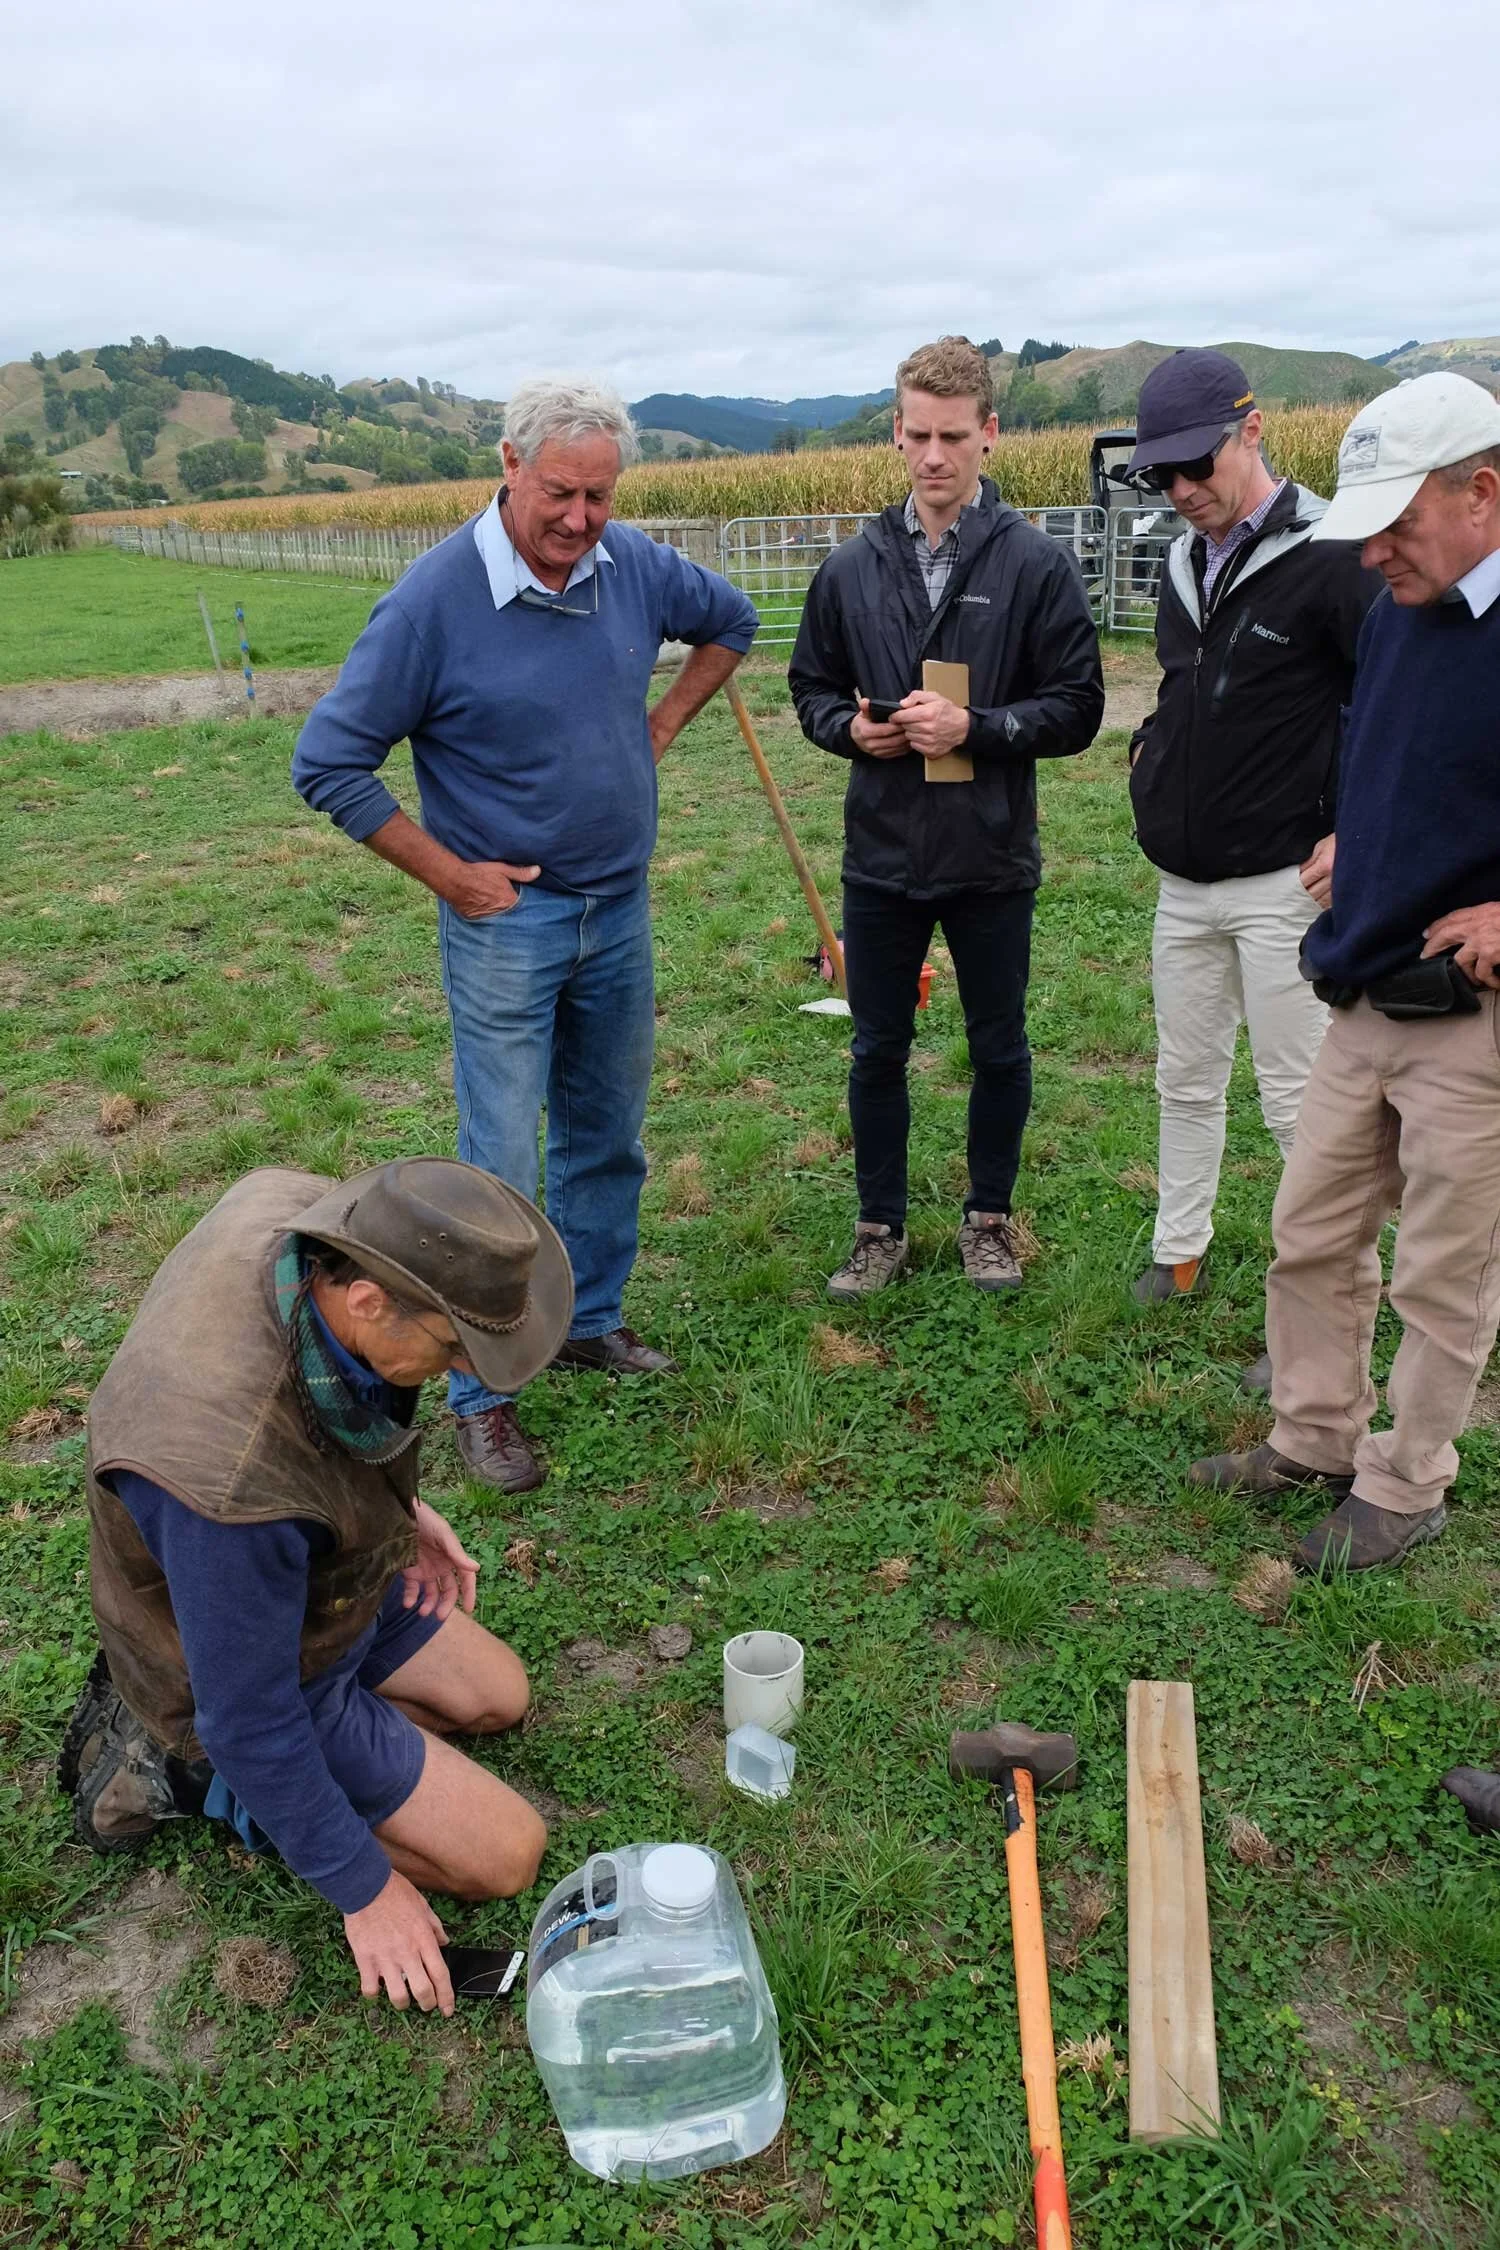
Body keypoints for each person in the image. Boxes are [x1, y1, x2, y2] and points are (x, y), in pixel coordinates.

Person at [293, 378, 758, 1494]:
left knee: (607, 1132)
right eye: (561, 492)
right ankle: (482, 1393)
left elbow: (731, 622)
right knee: (494, 1165)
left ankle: (589, 1319)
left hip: (620, 909)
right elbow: (328, 762)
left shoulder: (634, 566)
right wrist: (451, 875)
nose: (582, 519)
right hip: (508, 926)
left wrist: (659, 723)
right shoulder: (435, 603)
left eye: (601, 496)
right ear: (508, 463)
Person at [61, 1157, 574, 2015]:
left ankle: (323, 1771)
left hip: (314, 1581)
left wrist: (397, 1514)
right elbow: (252, 1718)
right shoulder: (230, 1488)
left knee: (498, 1696)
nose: (460, 1377)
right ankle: (189, 1775)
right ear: (370, 1301)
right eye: (453, 1349)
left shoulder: (304, 1214)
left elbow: (322, 1424)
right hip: (246, 1668)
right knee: (508, 1854)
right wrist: (364, 1891)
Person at [1188, 372, 1500, 1585]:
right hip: (1361, 985)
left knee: (1444, 1269)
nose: (1374, 550)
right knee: (1309, 1232)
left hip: (1468, 1015)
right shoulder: (1404, 612)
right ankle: (1314, 1439)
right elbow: (1407, 762)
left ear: (1483, 491)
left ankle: (1406, 1480)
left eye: (1398, 521)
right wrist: (1352, 842)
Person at [788, 336, 1103, 1301]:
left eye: (954, 437)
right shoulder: (851, 566)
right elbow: (807, 690)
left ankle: (989, 1222)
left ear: (990, 435)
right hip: (881, 857)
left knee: (998, 1045)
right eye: (918, 435)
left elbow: (1078, 707)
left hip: (990, 853)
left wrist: (981, 726)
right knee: (877, 1046)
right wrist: (852, 731)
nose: (934, 456)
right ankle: (878, 1227)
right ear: (896, 433)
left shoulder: (1035, 565)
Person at [1124, 350, 1381, 1374]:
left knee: (1301, 1100)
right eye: (1163, 477)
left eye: (1198, 466)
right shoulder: (1183, 562)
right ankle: (1178, 1249)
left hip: (1287, 882)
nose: (1184, 492)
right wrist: (1153, 751)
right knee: (1183, 1075)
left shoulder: (1334, 553)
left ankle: (1319, 1313)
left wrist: (1352, 830)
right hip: (1184, 882)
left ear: (1253, 430)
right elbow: (1186, 683)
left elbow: (1380, 708)